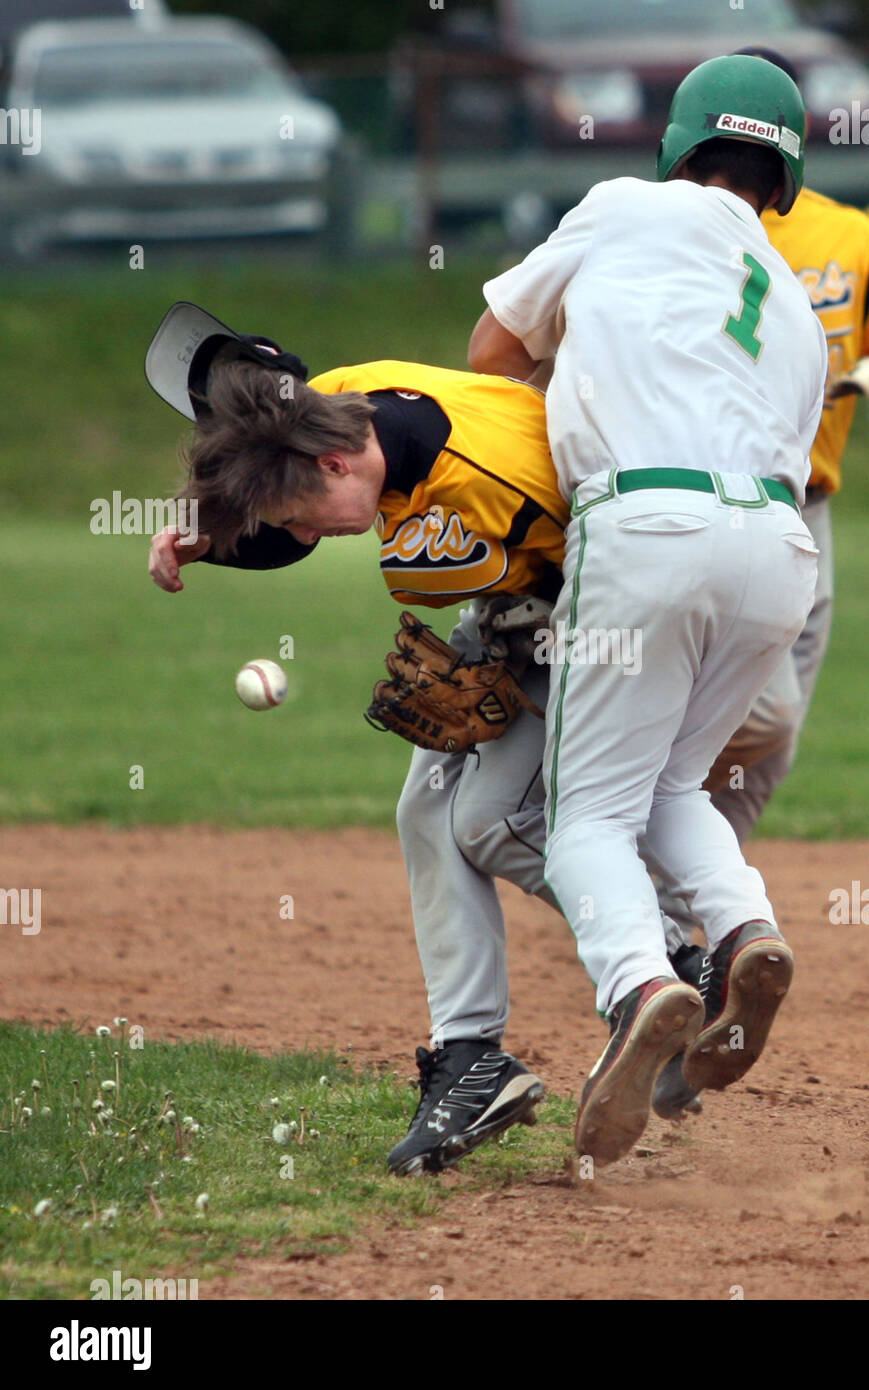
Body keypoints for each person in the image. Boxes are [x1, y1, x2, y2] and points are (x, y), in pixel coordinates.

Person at [468, 54, 826, 1165]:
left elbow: (491, 354)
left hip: (646, 530)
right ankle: (741, 929)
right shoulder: (798, 305)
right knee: (674, 784)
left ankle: (640, 985)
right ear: (784, 177)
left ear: (678, 147)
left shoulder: (625, 205)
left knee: (586, 815)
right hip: (777, 550)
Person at [143, 301, 567, 1175]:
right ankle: (470, 1058)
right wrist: (215, 537)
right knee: (428, 811)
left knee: (492, 823)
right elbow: (305, 519)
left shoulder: (458, 496)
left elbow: (587, 553)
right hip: (528, 605)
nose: (299, 529)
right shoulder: (344, 402)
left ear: (321, 452)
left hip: (600, 616)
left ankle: (675, 950)